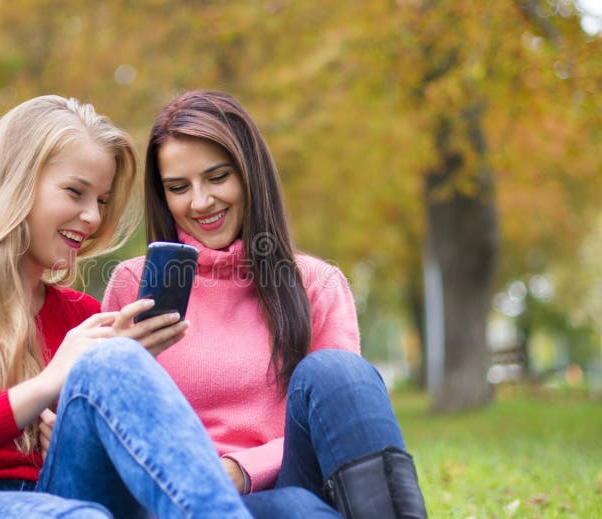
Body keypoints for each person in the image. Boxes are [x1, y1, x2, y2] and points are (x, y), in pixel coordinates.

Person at [0, 95, 253, 519]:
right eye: (75, 192)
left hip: (57, 492)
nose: (92, 217)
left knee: (112, 367)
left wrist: (96, 414)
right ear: (15, 182)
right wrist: (47, 385)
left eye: (103, 200)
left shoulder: (82, 315)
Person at [100, 90, 428, 518]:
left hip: (297, 480)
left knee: (337, 372)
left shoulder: (316, 283)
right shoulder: (133, 287)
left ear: (249, 172)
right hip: (184, 500)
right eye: (179, 187)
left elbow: (338, 422)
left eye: (217, 177)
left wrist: (242, 468)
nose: (200, 202)